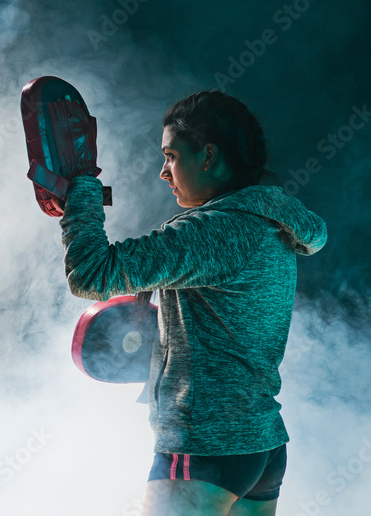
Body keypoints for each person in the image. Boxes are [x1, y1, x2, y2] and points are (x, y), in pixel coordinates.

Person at [58, 90, 327, 515]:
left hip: (205, 449)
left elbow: (91, 273)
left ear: (207, 156)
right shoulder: (272, 224)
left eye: (171, 156)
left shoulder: (213, 232)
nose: (163, 172)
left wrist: (81, 194)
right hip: (262, 447)